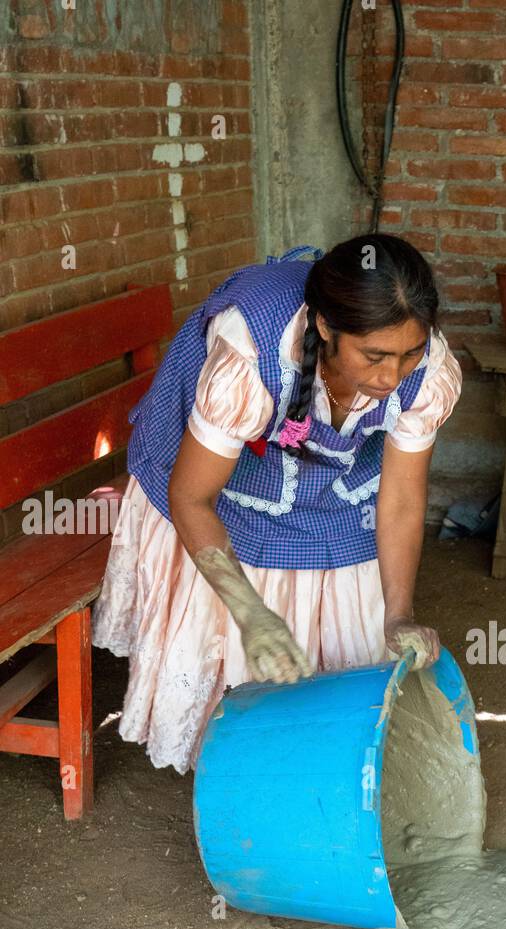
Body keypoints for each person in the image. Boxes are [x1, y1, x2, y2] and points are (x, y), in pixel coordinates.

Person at [93, 236, 461, 775]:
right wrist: (250, 614)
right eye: (375, 357)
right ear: (325, 328)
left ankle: (315, 772)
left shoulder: (428, 372)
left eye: (408, 354)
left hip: (325, 481)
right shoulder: (252, 350)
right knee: (237, 645)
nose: (390, 378)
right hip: (210, 483)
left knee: (347, 662)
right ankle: (234, 773)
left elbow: (402, 498)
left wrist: (398, 615)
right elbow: (192, 497)